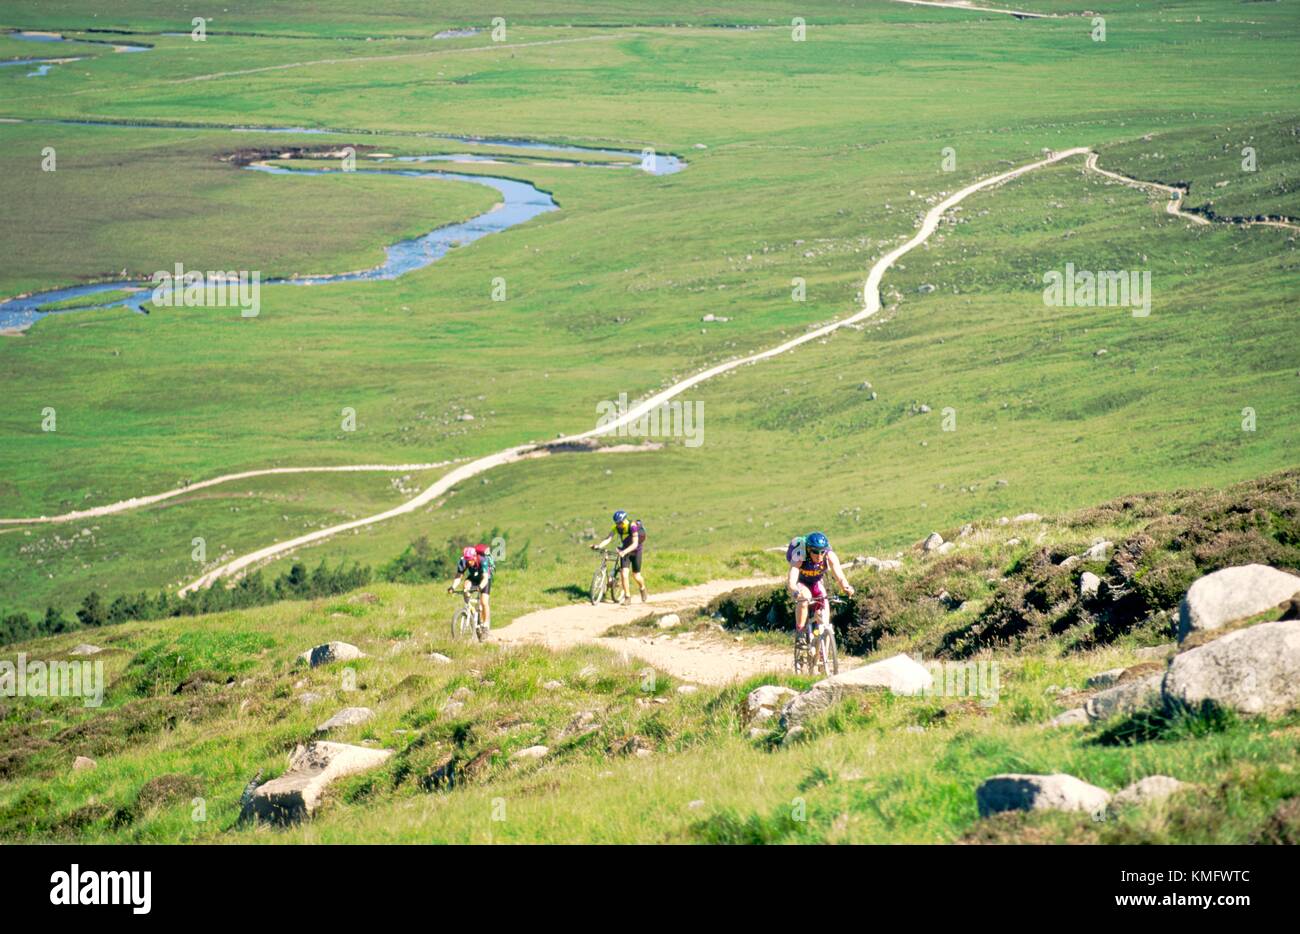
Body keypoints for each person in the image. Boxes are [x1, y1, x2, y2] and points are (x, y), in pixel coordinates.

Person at [787, 531, 853, 642]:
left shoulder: (829, 556)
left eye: (822, 552)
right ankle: (801, 633)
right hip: (801, 582)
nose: (819, 555)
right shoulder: (800, 555)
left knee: (824, 616)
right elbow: (792, 579)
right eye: (815, 552)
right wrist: (794, 590)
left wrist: (846, 587)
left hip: (816, 583)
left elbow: (839, 575)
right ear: (808, 549)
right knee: (804, 598)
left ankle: (823, 650)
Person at [592, 509, 648, 605]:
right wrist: (599, 546)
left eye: (619, 523)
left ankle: (642, 588)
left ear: (624, 520)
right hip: (625, 552)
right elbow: (608, 538)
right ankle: (627, 597)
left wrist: (624, 551)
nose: (618, 525)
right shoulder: (616, 527)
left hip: (636, 552)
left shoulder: (632, 526)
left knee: (636, 576)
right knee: (624, 574)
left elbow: (635, 544)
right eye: (616, 523)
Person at [448, 545, 493, 631]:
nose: (469, 562)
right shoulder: (463, 561)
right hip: (473, 577)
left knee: (484, 601)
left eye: (470, 560)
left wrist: (480, 587)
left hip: (485, 579)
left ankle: (486, 624)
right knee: (466, 585)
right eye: (467, 560)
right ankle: (468, 609)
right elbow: (458, 577)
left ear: (475, 557)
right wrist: (453, 587)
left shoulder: (483, 561)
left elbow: (485, 578)